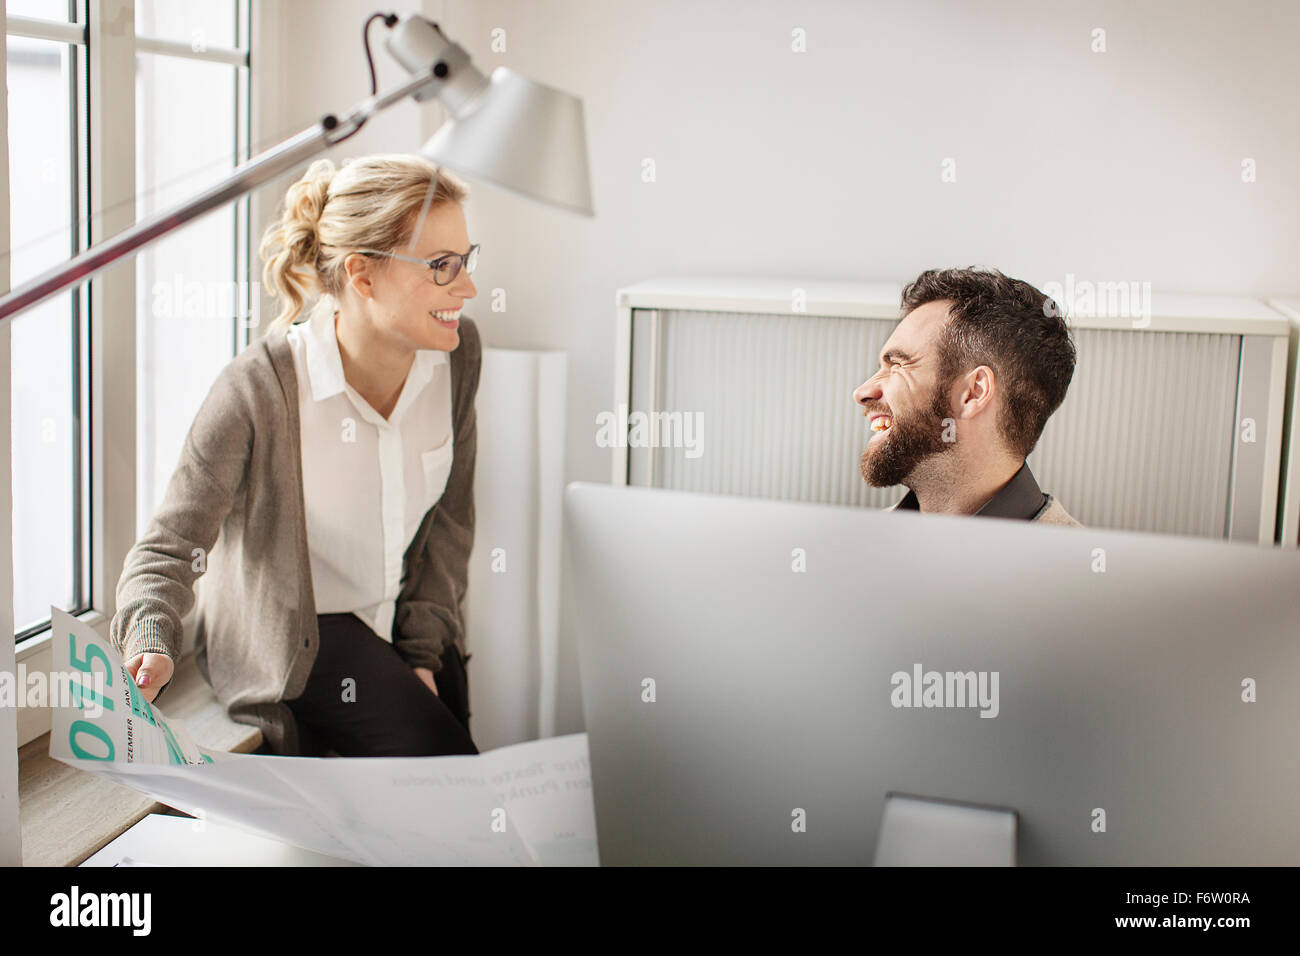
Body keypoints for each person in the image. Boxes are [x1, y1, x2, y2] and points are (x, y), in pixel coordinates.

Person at [108, 154, 483, 757]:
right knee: (448, 771)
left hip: (399, 619)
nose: (467, 288)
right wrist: (150, 634)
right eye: (442, 266)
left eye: (467, 260)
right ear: (362, 276)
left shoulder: (457, 358)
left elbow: (451, 528)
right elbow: (169, 545)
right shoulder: (259, 389)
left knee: (460, 789)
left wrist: (420, 652)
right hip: (303, 637)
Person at [854, 266, 1081, 525]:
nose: (861, 392)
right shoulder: (856, 543)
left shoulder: (1080, 564)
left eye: (897, 365)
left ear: (974, 393)